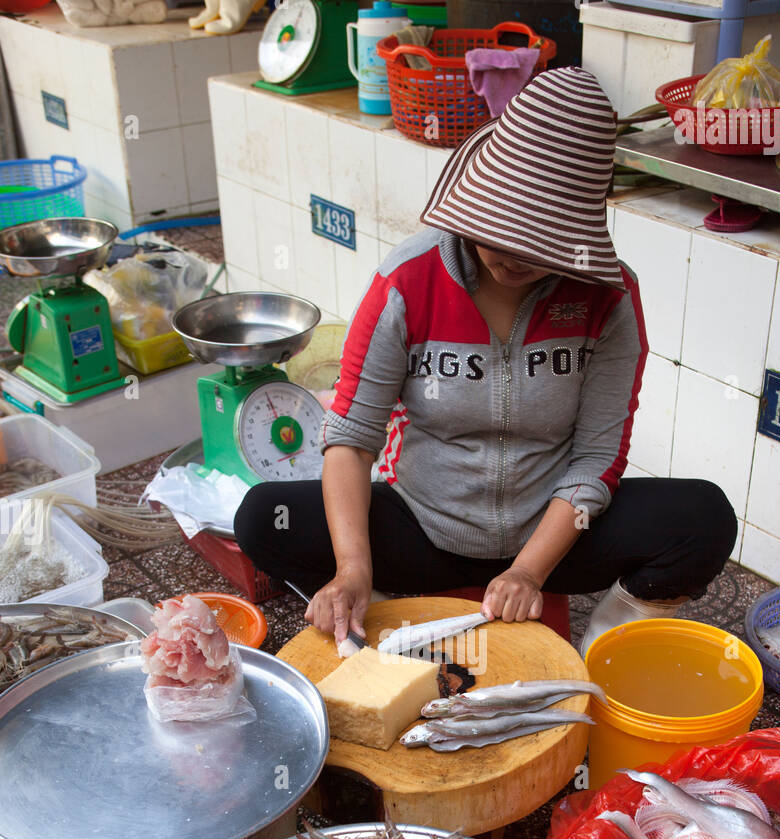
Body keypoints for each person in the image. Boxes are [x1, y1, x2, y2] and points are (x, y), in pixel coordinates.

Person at [234, 66, 737, 656]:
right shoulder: (408, 280)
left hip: (556, 535)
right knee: (265, 516)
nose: (511, 255)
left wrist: (528, 571)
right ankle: (383, 599)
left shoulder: (610, 299)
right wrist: (351, 570)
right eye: (496, 229)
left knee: (703, 517)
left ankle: (602, 651)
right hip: (422, 527)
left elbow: (598, 456)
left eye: (539, 239)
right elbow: (351, 437)